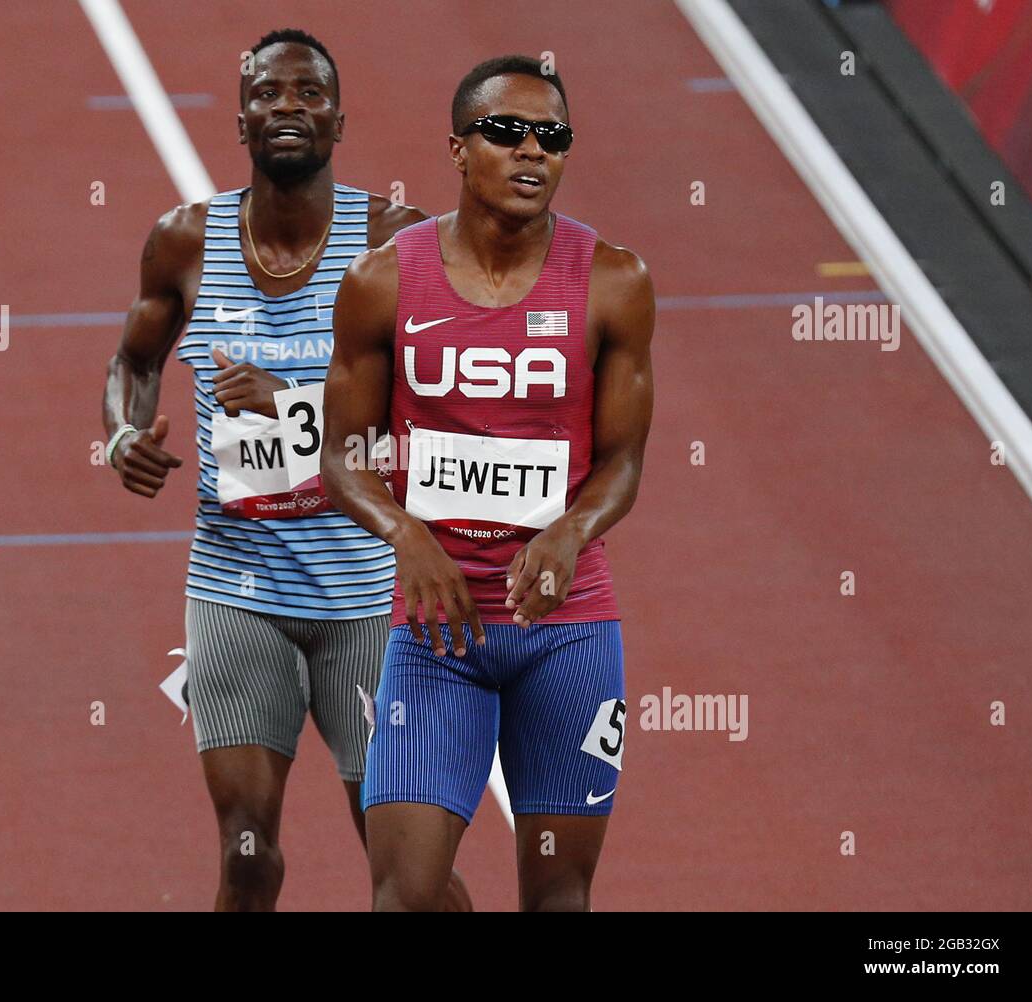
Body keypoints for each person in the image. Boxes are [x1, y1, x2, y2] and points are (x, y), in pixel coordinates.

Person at [100, 28, 470, 911]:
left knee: (409, 879)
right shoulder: (185, 242)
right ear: (240, 121)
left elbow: (442, 408)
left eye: (308, 96)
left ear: (339, 119)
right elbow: (135, 359)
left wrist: (294, 403)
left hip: (369, 601)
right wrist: (121, 434)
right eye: (269, 95)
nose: (288, 110)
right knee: (246, 856)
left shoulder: (395, 246)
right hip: (236, 594)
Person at [322, 55, 655, 912]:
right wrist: (406, 534)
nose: (531, 151)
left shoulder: (614, 281)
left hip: (568, 632)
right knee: (405, 895)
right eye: (506, 132)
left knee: (559, 898)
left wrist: (572, 531)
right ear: (459, 149)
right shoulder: (383, 282)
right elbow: (342, 452)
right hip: (438, 633)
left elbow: (622, 461)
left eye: (552, 136)